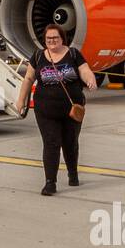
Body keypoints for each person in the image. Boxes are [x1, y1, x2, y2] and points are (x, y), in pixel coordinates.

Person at [14, 25, 98, 195]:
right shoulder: (38, 56)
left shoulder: (73, 54)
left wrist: (91, 81)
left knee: (70, 142)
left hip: (71, 109)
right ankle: (50, 182)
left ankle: (72, 174)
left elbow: (84, 70)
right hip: (45, 110)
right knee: (51, 143)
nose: (52, 41)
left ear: (62, 38)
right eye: (48, 39)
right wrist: (21, 100)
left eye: (55, 38)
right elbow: (29, 78)